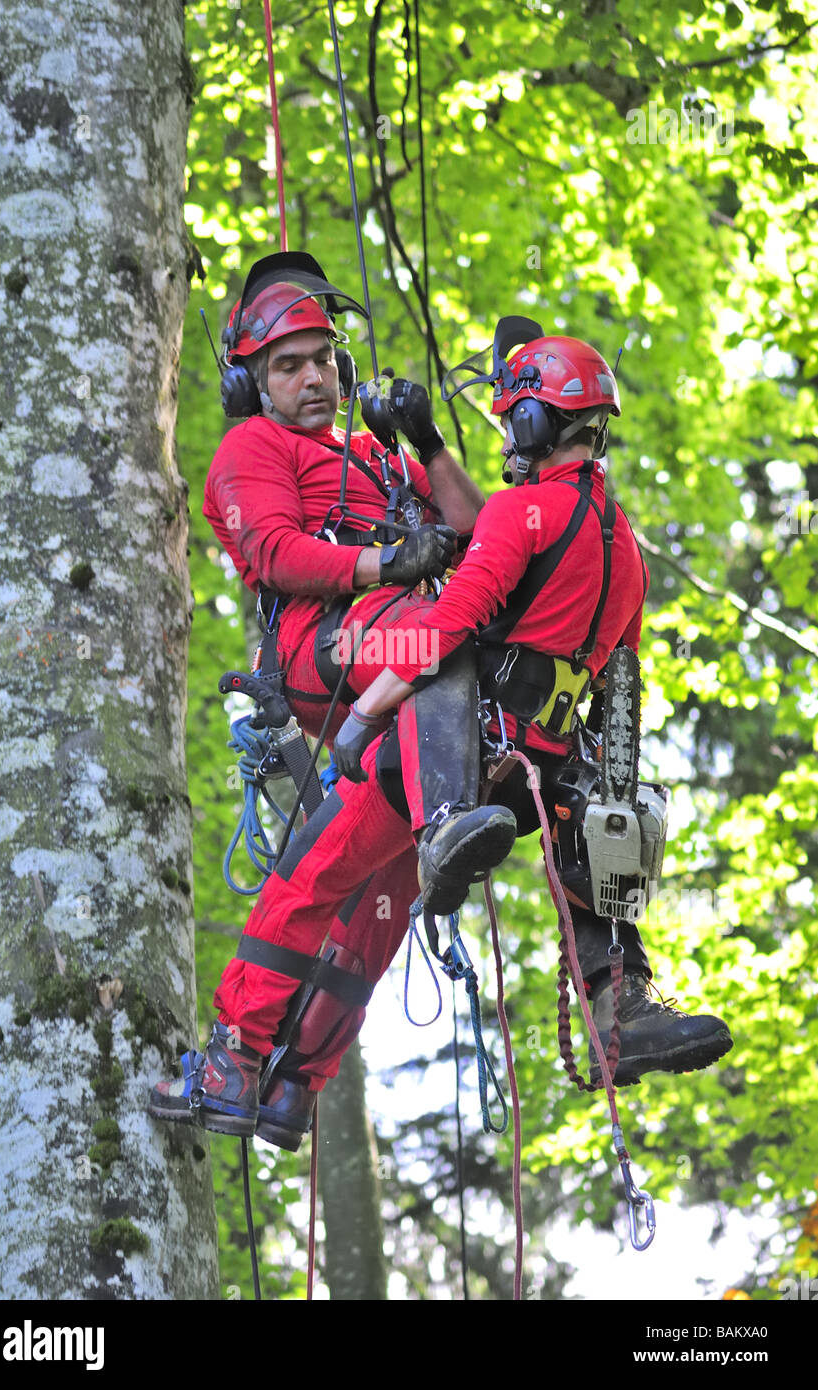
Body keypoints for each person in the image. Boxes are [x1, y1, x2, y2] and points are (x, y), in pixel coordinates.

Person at [148, 318, 731, 1149]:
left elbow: (452, 619)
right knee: (437, 892)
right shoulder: (622, 544)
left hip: (436, 750)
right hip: (524, 756)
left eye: (509, 421)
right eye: (290, 366)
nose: (505, 438)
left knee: (305, 880)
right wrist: (593, 783)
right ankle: (615, 1002)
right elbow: (619, 680)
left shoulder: (513, 511)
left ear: (533, 427)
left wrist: (367, 711)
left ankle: (236, 1064)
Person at [148, 253, 516, 1149]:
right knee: (426, 624)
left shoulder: (372, 455)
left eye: (323, 359)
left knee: (362, 893)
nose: (313, 377)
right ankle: (446, 822)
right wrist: (384, 563)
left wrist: (425, 444)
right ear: (253, 384)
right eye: (288, 365)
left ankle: (281, 1080)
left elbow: (482, 533)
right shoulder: (252, 450)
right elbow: (272, 551)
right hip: (331, 647)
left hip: (409, 707)